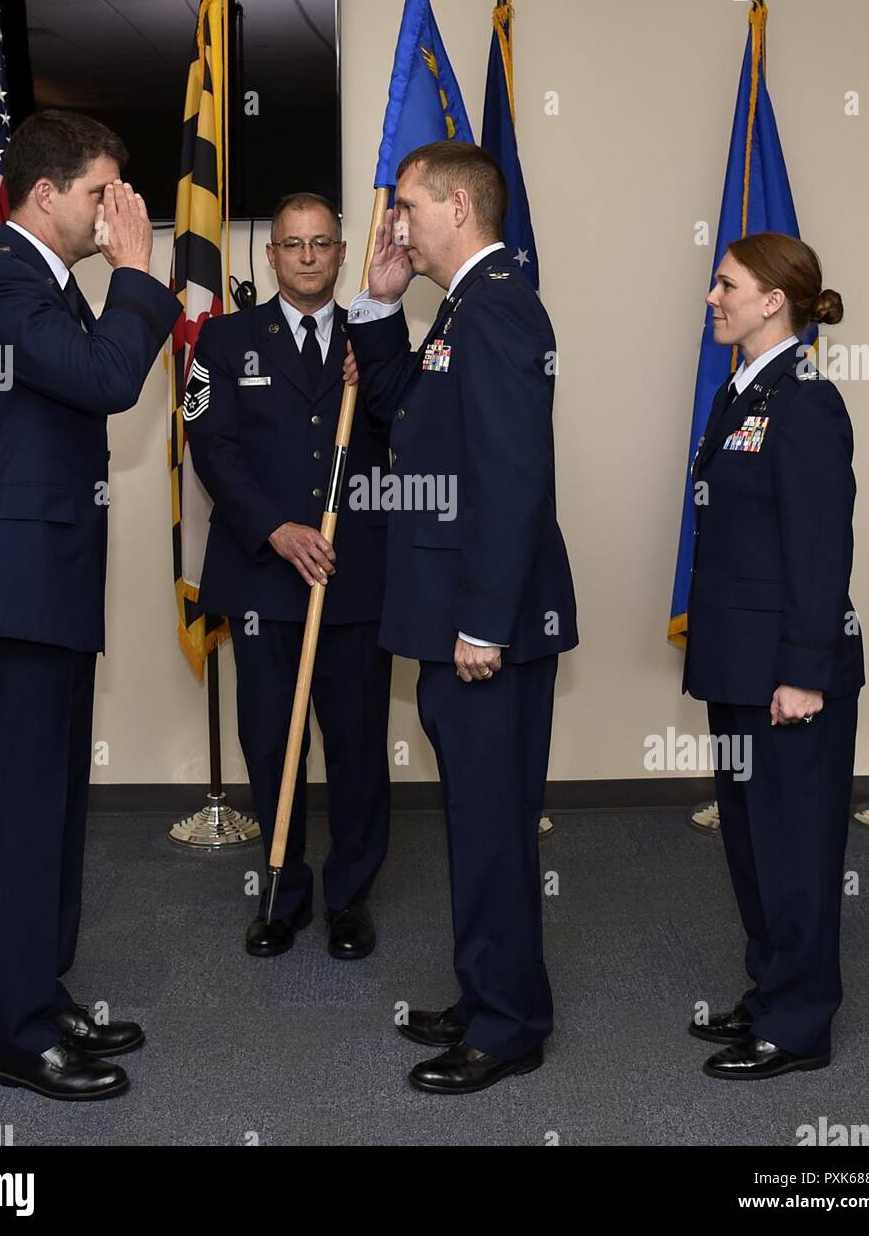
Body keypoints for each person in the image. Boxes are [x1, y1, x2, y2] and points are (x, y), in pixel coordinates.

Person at [0, 110, 182, 1100]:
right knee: (24, 813)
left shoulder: (48, 290)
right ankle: (15, 1031)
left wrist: (114, 276)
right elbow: (109, 380)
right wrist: (137, 270)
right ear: (46, 194)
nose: (116, 210)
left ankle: (43, 987)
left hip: (49, 587)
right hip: (14, 587)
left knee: (57, 806)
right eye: (101, 193)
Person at [344, 141, 577, 1095]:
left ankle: (510, 1024)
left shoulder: (502, 308)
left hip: (487, 628)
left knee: (491, 824)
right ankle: (493, 992)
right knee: (479, 821)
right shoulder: (460, 310)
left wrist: (484, 620)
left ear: (455, 207)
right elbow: (399, 410)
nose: (394, 222)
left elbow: (515, 479)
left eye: (405, 206)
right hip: (456, 619)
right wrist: (378, 306)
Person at [185, 193, 392, 960]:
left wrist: (375, 379)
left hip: (354, 575)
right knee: (272, 742)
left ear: (341, 255)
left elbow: (417, 425)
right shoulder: (222, 337)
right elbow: (212, 446)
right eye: (292, 244)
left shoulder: (376, 342)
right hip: (262, 580)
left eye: (322, 244)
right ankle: (281, 891)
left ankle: (351, 900)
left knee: (359, 747)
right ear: (270, 257)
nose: (307, 256)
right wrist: (275, 529)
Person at [682, 231, 865, 1079]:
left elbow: (822, 551)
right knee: (754, 847)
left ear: (772, 301)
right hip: (739, 664)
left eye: (726, 285)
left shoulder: (807, 401)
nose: (712, 297)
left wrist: (802, 671)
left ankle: (799, 1027)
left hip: (790, 675)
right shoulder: (740, 394)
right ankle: (769, 994)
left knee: (795, 851)